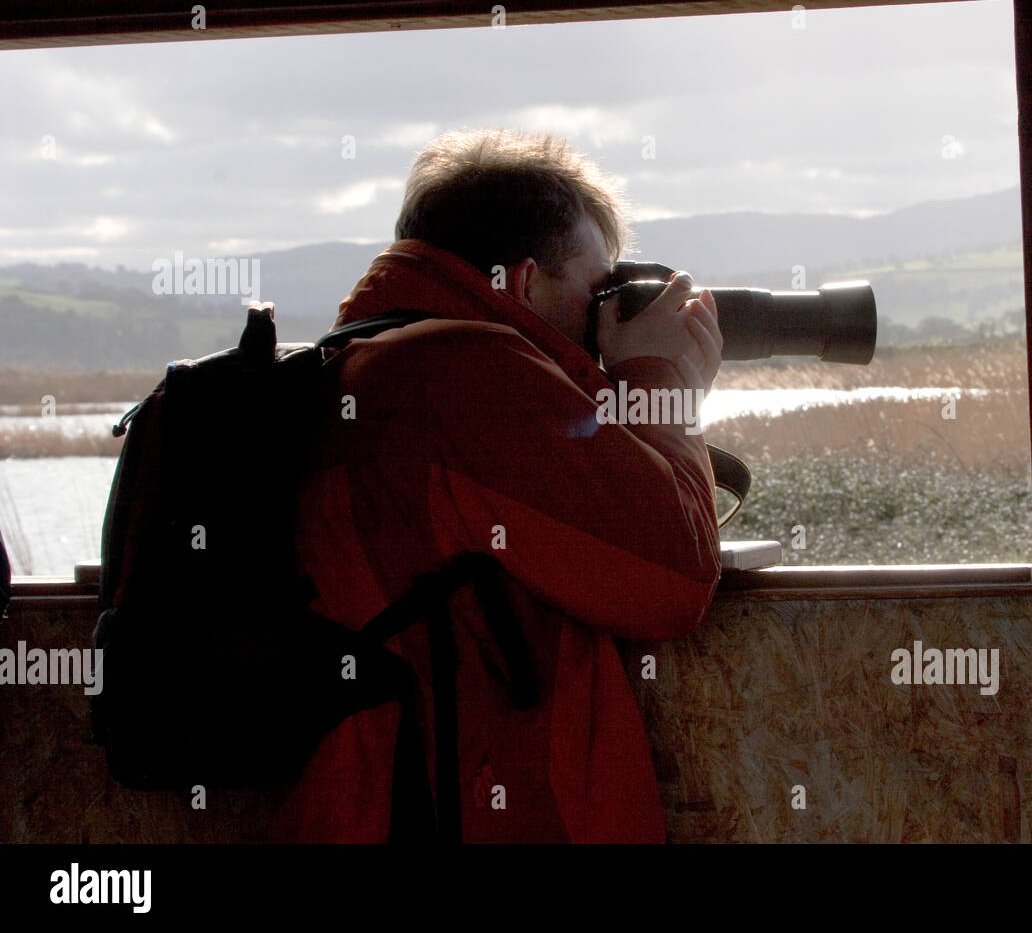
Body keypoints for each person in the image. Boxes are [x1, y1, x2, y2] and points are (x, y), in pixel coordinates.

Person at [269, 129, 724, 843]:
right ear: (524, 280)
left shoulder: (359, 365)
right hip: (468, 812)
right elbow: (674, 576)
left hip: (368, 806)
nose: (607, 312)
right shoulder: (465, 372)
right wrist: (660, 377)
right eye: (598, 286)